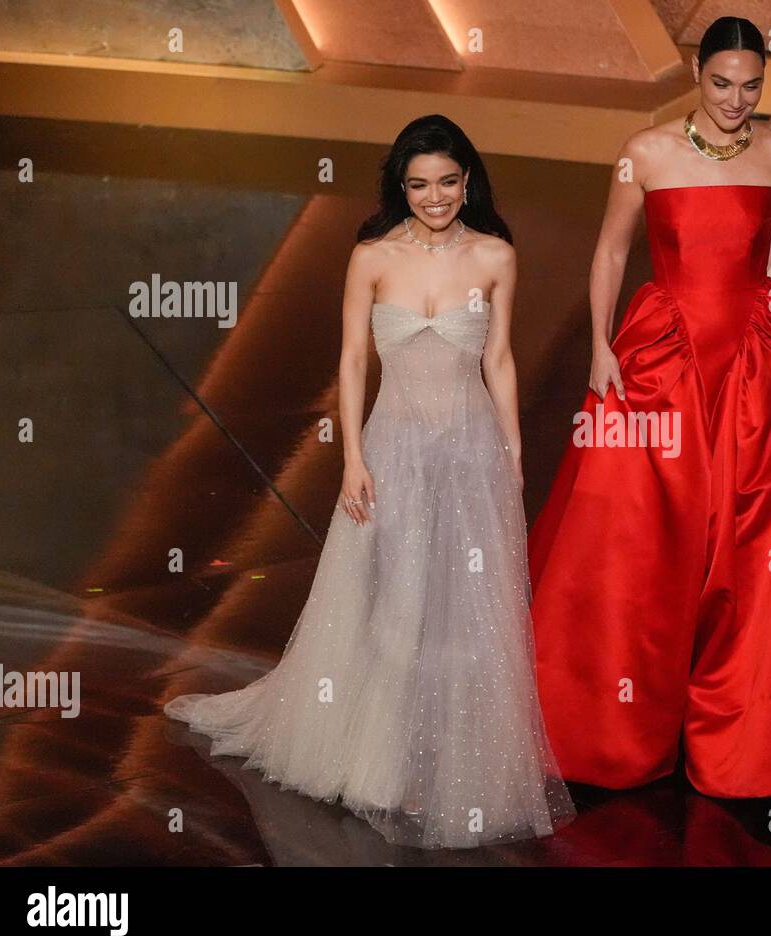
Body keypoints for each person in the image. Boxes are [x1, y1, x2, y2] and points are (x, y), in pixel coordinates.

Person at [527, 17, 771, 800]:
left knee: (760, 532)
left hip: (753, 359)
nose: (737, 100)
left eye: (751, 87)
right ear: (696, 74)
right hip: (661, 355)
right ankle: (614, 720)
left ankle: (753, 729)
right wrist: (600, 347)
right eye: (722, 83)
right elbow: (610, 249)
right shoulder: (645, 153)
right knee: (637, 526)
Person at [164, 114, 575, 849]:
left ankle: (450, 765)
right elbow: (351, 363)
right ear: (400, 186)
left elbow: (501, 360)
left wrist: (511, 453)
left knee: (466, 611)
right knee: (388, 602)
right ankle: (376, 766)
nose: (435, 197)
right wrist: (353, 455)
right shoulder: (372, 257)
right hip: (392, 448)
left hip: (470, 447)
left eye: (448, 181)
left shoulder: (494, 255)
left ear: (468, 180)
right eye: (419, 184)